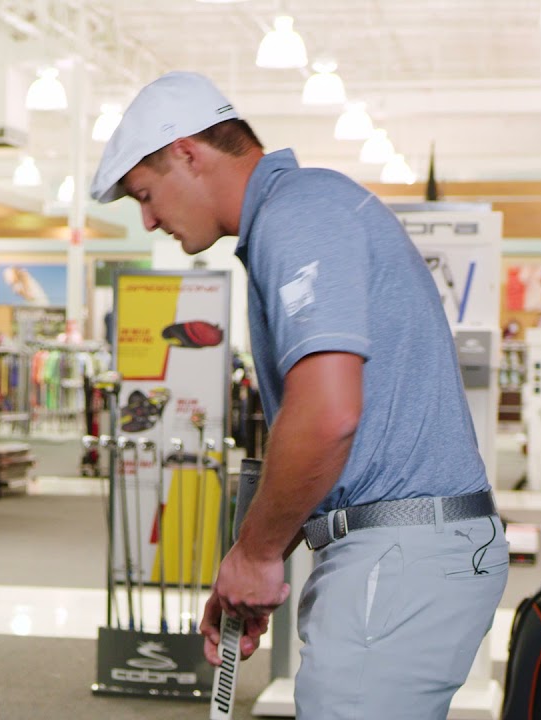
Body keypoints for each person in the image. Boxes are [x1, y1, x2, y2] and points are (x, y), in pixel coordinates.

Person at [90, 72, 507, 719]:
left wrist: (255, 553)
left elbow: (328, 414)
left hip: (400, 553)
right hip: (401, 547)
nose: (148, 219)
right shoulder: (305, 213)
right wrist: (252, 561)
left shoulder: (299, 213)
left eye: (145, 194)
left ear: (187, 153)